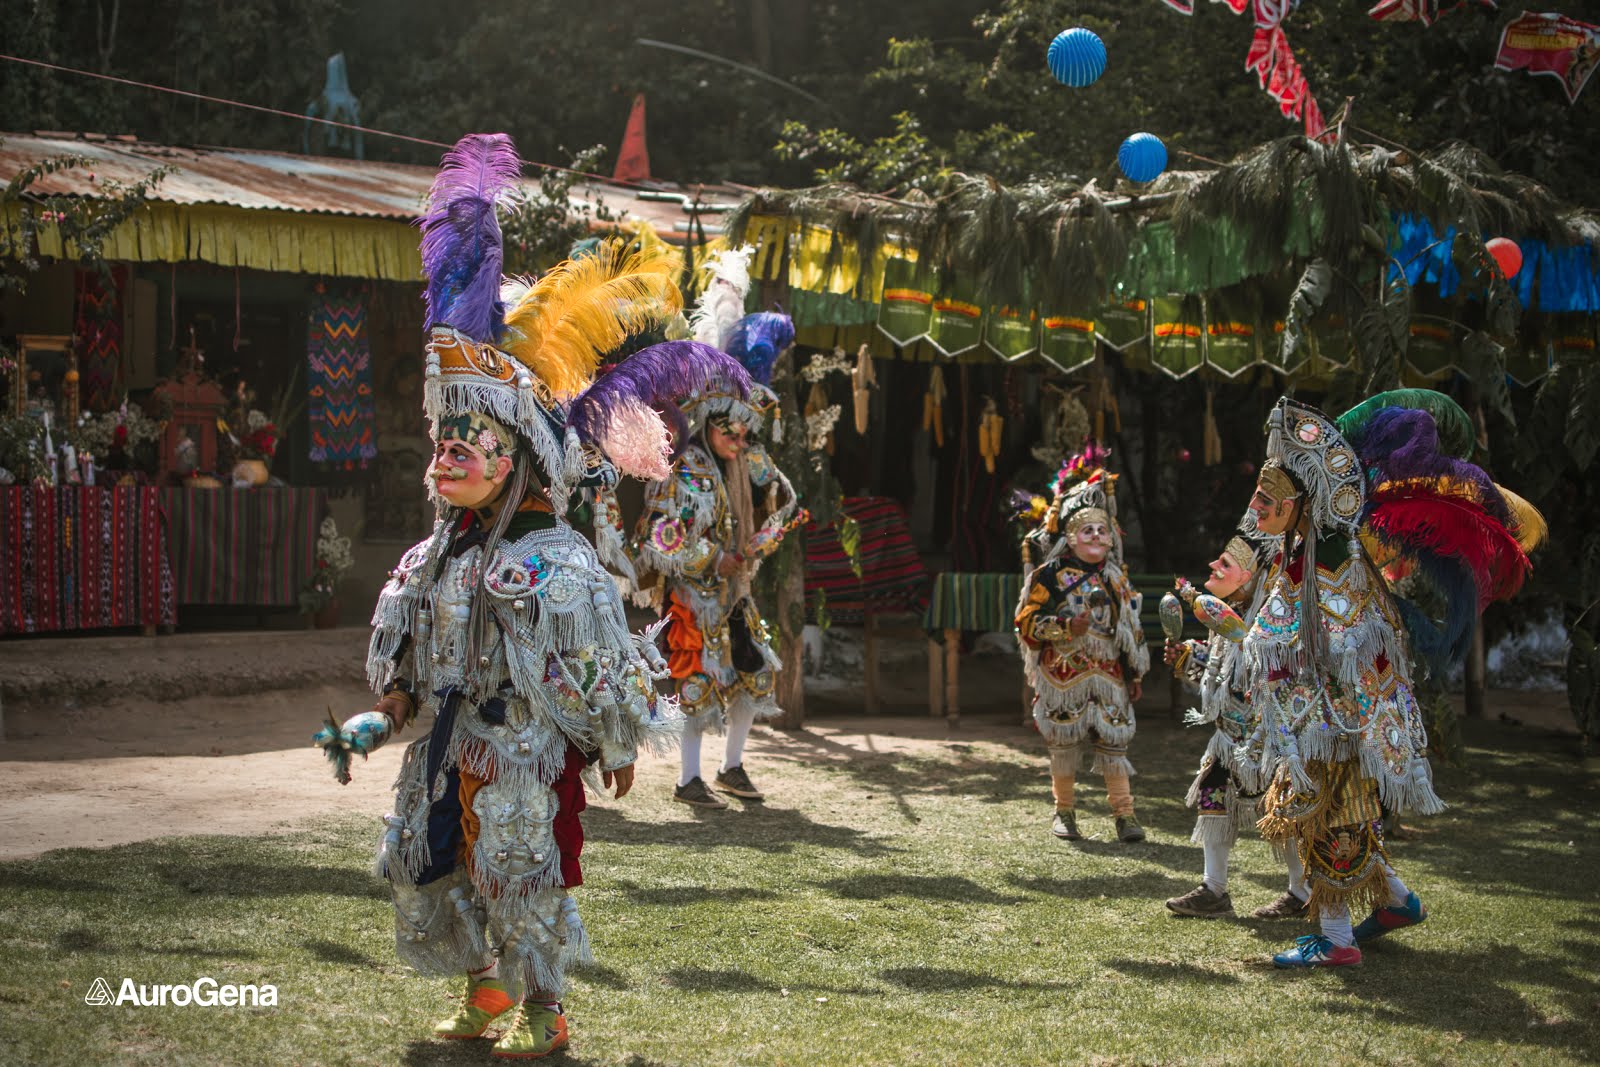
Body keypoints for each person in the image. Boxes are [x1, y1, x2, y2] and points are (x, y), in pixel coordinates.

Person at [341, 133, 747, 1058]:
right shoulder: (432, 555)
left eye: (469, 441)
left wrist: (613, 744)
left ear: (515, 458)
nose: (448, 455)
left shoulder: (558, 556)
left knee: (523, 871)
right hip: (449, 742)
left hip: (525, 747)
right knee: (436, 864)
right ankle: (486, 991)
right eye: (443, 440)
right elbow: (406, 652)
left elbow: (596, 660)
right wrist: (387, 708)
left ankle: (545, 1005)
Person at [1238, 393, 1537, 968]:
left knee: (1324, 819)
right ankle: (1399, 902)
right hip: (1339, 723)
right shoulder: (1313, 555)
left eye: (1267, 496)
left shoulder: (1330, 567)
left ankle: (1336, 940)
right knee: (1348, 815)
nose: (1255, 507)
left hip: (1337, 727)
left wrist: (1241, 637)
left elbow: (1315, 642)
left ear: (1305, 502)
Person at [634, 308, 799, 809]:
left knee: (754, 672)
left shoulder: (743, 464)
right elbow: (656, 538)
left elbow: (786, 502)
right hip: (695, 598)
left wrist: (763, 533)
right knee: (698, 684)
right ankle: (688, 778)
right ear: (709, 424)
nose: (740, 440)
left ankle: (732, 768)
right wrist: (713, 558)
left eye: (746, 434)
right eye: (732, 431)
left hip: (736, 593)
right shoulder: (684, 471)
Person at [1162, 527, 1308, 919]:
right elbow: (1221, 676)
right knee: (1212, 798)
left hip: (1273, 743)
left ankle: (1302, 892)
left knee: (1284, 812)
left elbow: (1279, 679)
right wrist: (1188, 658)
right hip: (1229, 739)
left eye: (1224, 564)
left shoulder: (1273, 618)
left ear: (1248, 577)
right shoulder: (1228, 616)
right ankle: (1214, 890)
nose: (1213, 566)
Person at [1015, 455, 1149, 843]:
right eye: (1085, 531)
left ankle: (1125, 814)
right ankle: (1065, 812)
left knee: (1114, 741)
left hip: (1109, 671)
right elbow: (1025, 620)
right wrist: (1063, 627)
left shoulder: (1117, 577)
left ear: (1112, 538)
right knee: (1064, 741)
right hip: (1064, 670)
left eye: (1101, 531)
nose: (1095, 536)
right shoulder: (1050, 575)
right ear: (1070, 538)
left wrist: (1133, 671)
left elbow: (1130, 629)